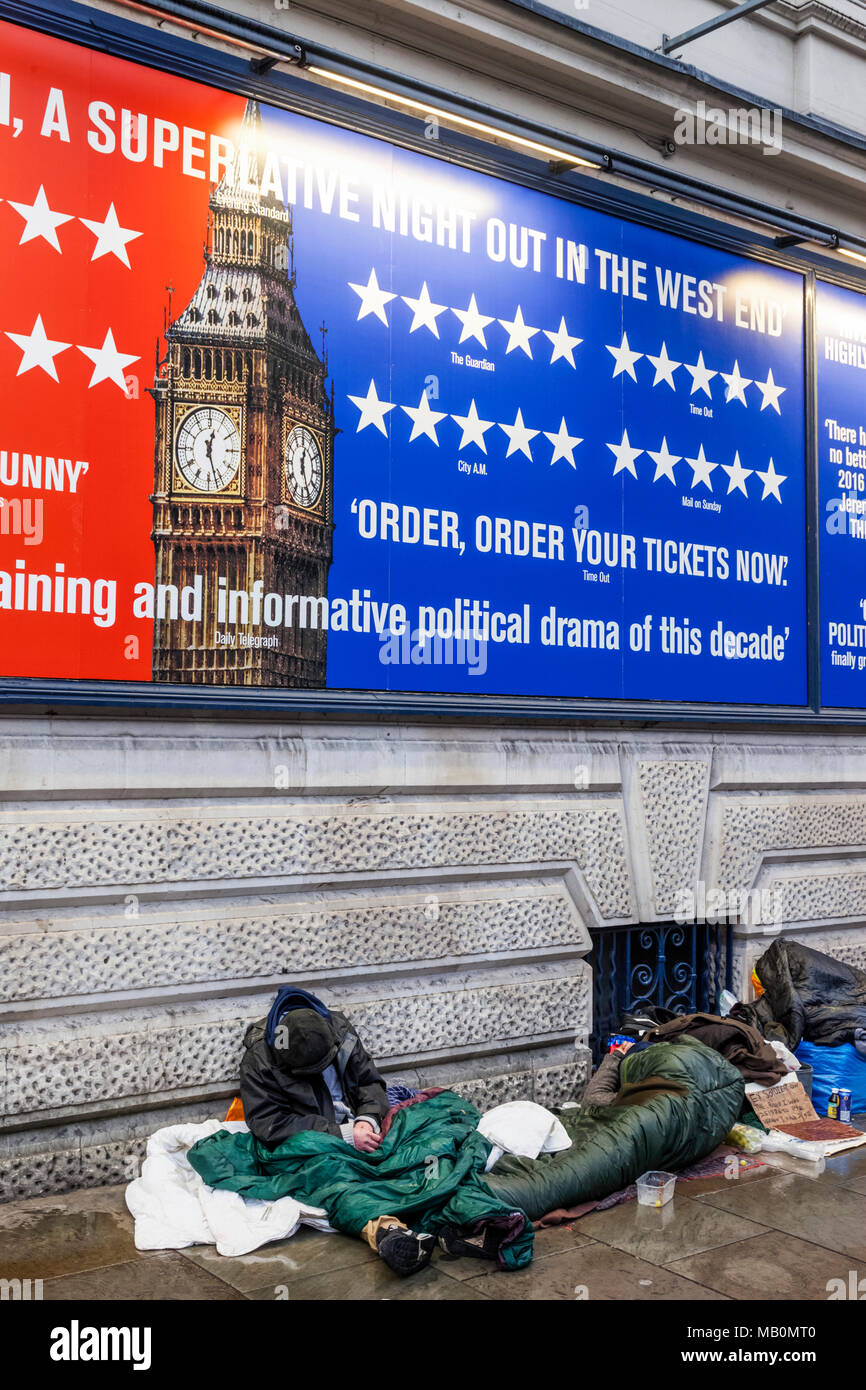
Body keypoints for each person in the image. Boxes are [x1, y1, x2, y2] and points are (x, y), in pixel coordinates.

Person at [239, 992, 436, 1275]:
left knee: (423, 1146)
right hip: (317, 1141)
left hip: (361, 1127)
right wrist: (340, 1134)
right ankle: (386, 1231)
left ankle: (462, 1224)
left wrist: (367, 1119)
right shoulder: (260, 1057)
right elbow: (268, 1123)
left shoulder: (340, 1031)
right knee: (332, 1175)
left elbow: (369, 1083)